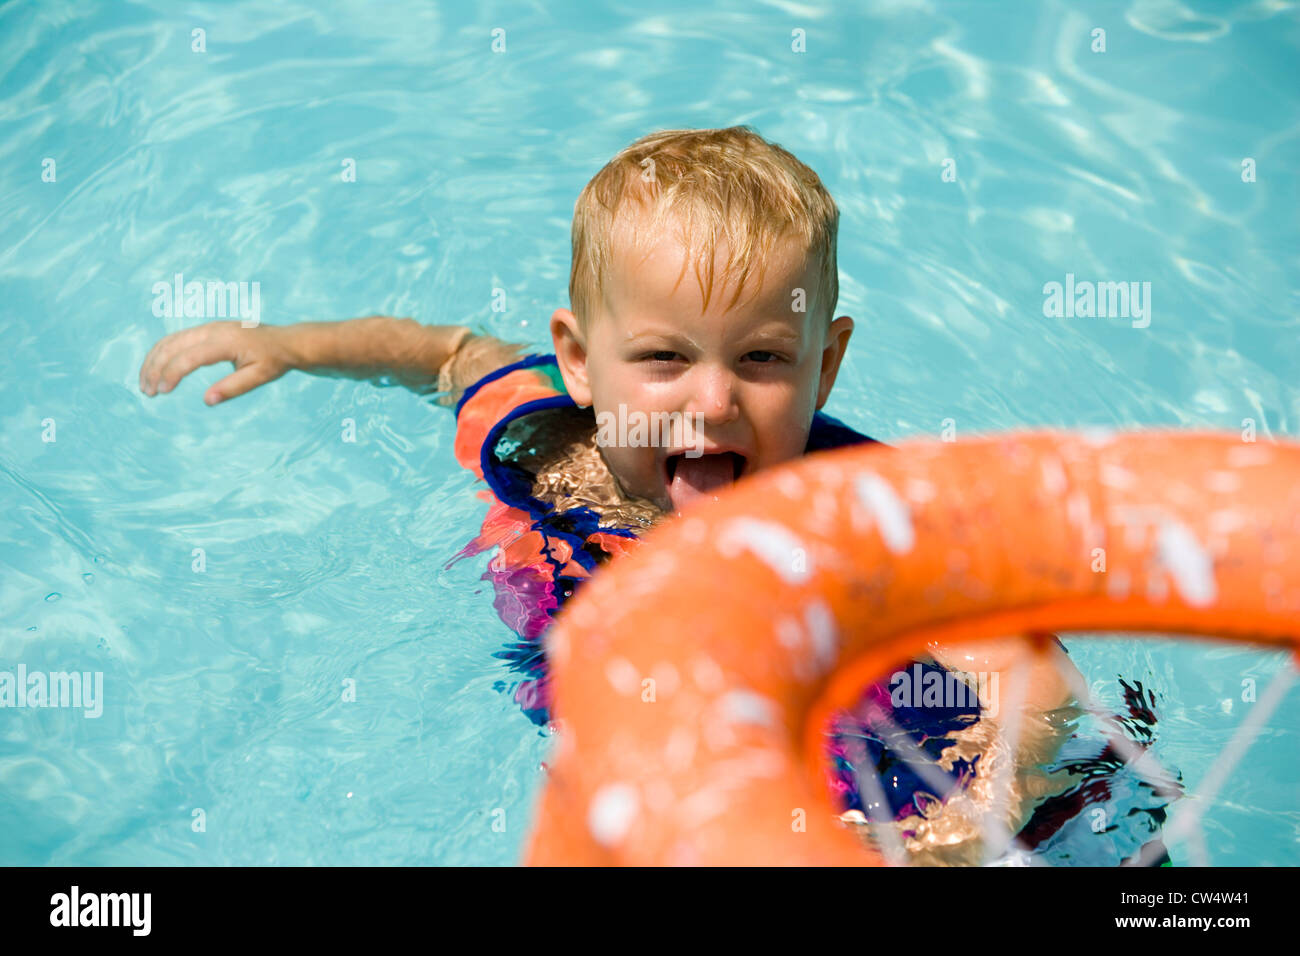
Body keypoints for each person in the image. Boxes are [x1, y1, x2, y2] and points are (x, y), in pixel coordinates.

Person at [140, 125, 1162, 864]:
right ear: (580, 362)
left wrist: (966, 820)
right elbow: (445, 352)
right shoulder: (550, 447)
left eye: (762, 357)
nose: (711, 399)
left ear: (826, 364)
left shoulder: (866, 516)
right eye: (663, 357)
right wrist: (288, 346)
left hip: (952, 793)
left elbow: (1024, 660)